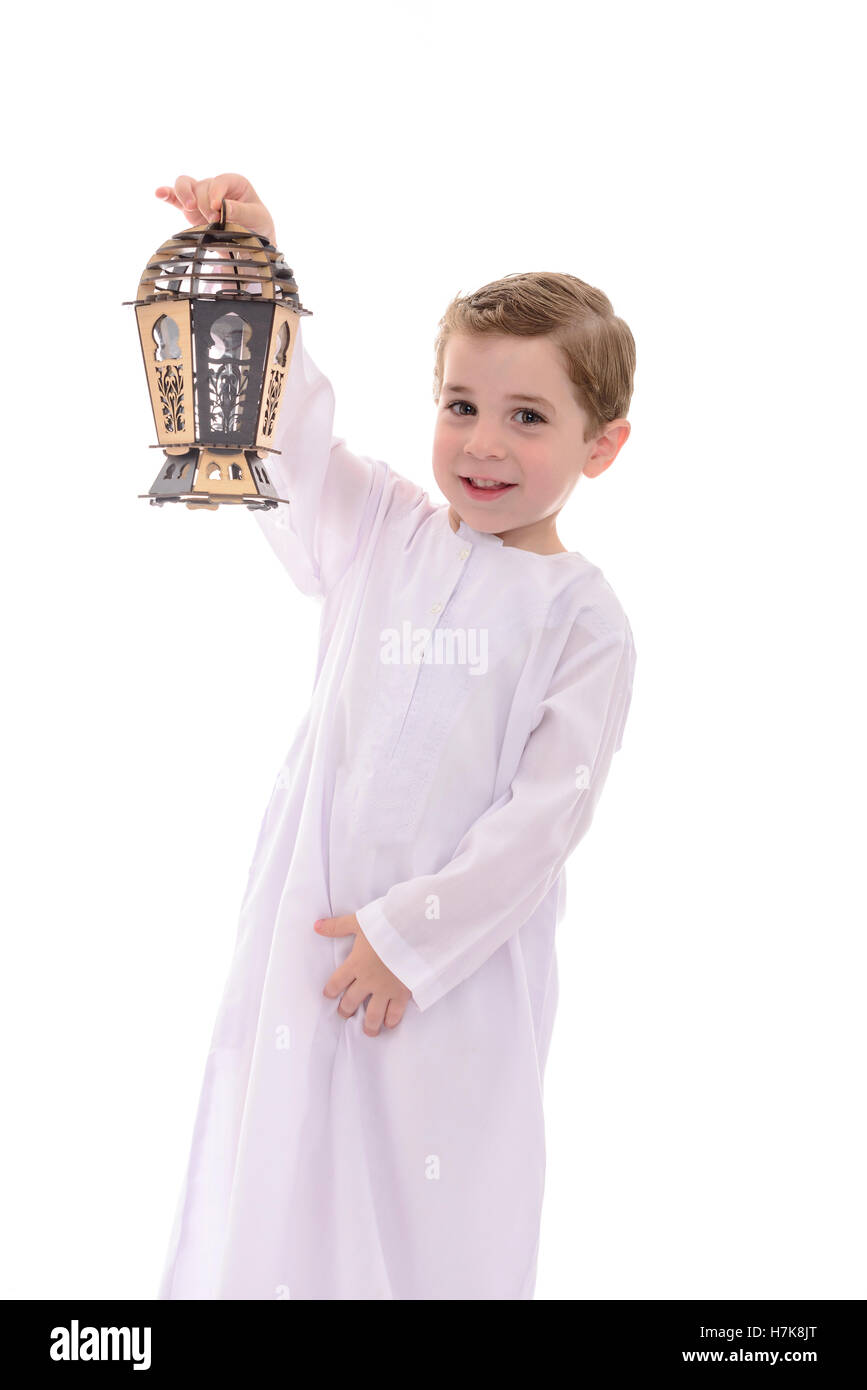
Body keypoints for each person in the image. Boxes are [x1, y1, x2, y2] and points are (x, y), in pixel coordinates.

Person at [152, 172, 638, 1300]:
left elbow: (542, 822)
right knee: (285, 1175)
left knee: (434, 1209)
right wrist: (248, 268)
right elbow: (288, 430)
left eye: (528, 417)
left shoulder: (582, 619)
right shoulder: (379, 528)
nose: (483, 442)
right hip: (309, 941)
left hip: (451, 978)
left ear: (601, 445)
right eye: (461, 404)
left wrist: (411, 941)